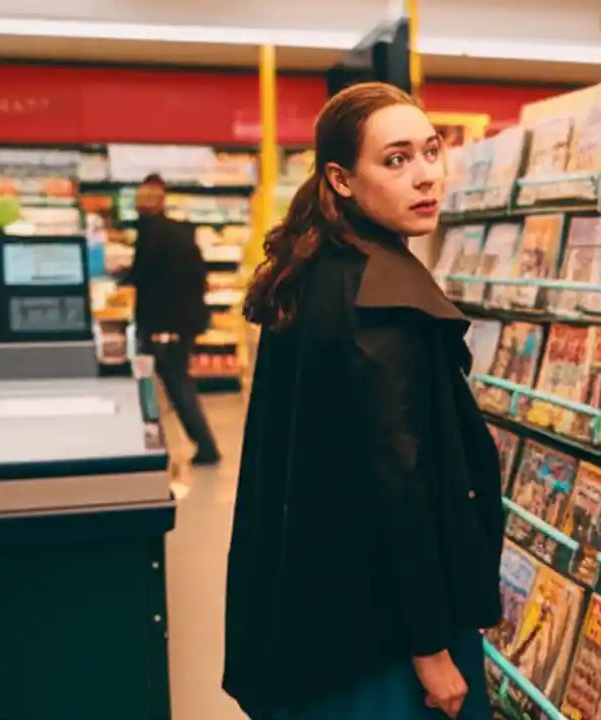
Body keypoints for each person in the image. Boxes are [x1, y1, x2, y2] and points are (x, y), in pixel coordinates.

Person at [223, 83, 504, 720]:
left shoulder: (317, 268)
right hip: (385, 631)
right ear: (342, 180)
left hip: (318, 611)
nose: (426, 176)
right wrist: (429, 647)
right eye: (396, 160)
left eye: (431, 152)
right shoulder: (381, 303)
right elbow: (396, 487)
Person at [126, 173, 220, 465]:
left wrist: (122, 277)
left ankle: (202, 445)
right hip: (184, 322)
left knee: (169, 383)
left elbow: (142, 276)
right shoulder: (181, 232)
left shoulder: (151, 235)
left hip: (161, 324)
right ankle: (202, 445)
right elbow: (199, 277)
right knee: (178, 381)